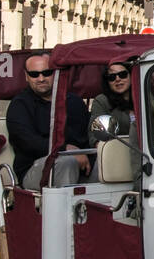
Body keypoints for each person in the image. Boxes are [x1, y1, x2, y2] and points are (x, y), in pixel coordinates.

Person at [7, 52, 92, 190]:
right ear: (26, 77)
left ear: (55, 73)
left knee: (107, 163)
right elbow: (29, 142)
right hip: (35, 169)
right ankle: (64, 210)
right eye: (34, 74)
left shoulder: (74, 101)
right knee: (66, 162)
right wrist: (65, 150)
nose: (41, 78)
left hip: (81, 163)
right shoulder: (20, 105)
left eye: (47, 73)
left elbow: (87, 134)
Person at [89, 61, 136, 135]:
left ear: (131, 76)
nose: (117, 79)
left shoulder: (146, 96)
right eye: (112, 77)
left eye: (122, 75)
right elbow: (95, 135)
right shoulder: (102, 101)